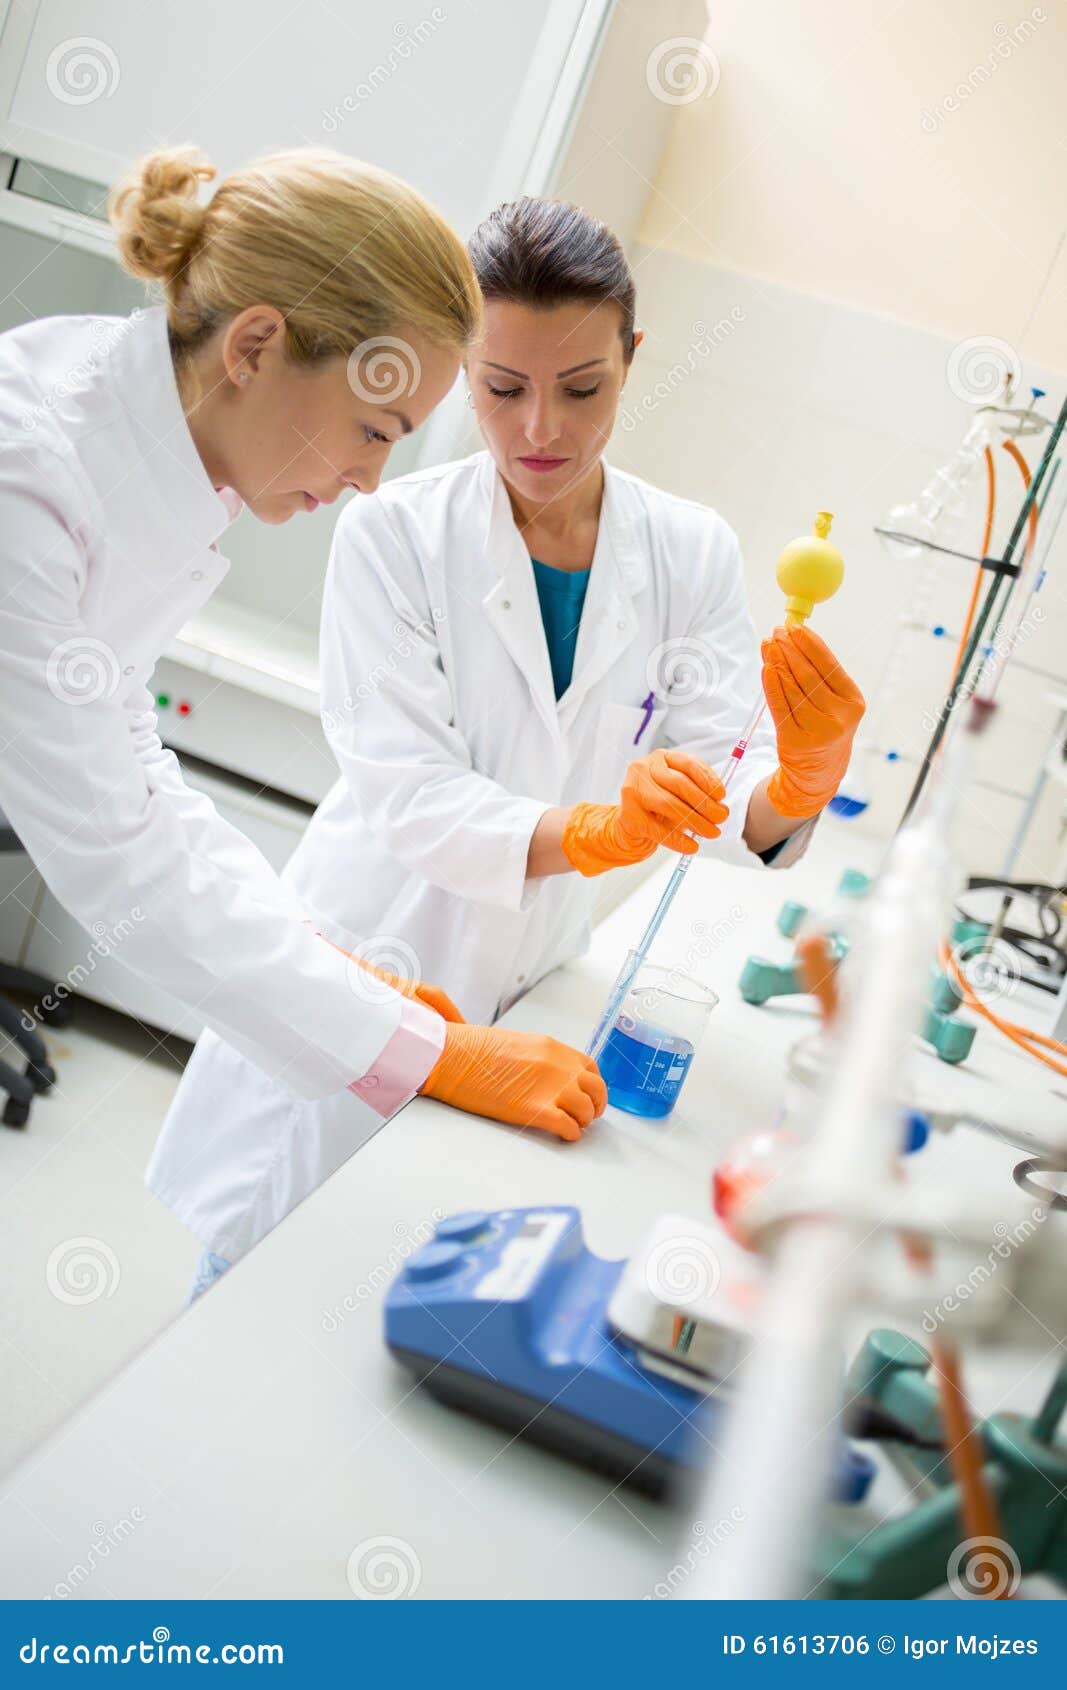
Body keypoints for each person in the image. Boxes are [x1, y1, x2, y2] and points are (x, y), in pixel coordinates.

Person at [151, 197, 864, 1279]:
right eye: (500, 389)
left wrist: (797, 782)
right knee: (267, 1276)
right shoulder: (392, 533)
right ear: (458, 373)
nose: (541, 430)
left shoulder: (688, 551)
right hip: (372, 961)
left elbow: (721, 781)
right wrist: (587, 828)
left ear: (630, 361)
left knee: (431, 1283)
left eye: (582, 389)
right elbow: (408, 794)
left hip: (530, 990)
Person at [0, 154, 607, 1233]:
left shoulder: (154, 458)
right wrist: (429, 1051)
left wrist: (344, 983)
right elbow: (118, 852)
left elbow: (128, 759)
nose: (373, 479)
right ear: (255, 347)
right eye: (375, 428)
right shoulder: (26, 477)